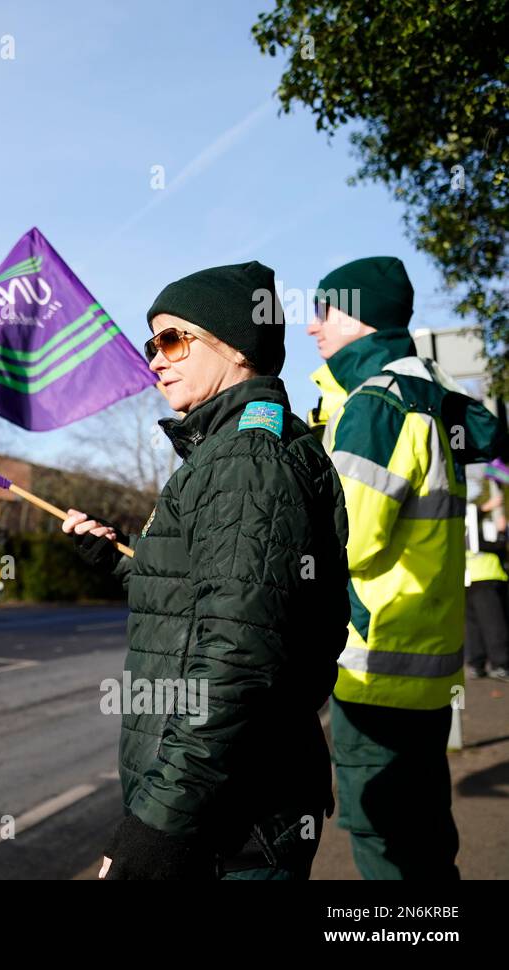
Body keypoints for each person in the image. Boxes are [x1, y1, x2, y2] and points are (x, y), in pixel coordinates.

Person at [65, 261, 349, 880]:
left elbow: (236, 660)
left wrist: (159, 825)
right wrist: (118, 560)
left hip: (227, 820)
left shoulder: (246, 460)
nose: (156, 360)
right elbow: (215, 604)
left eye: (172, 339)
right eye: (151, 345)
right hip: (224, 807)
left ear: (237, 345)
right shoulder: (233, 452)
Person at [306, 255, 507, 879]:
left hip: (373, 660)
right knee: (423, 834)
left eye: (325, 310)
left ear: (361, 316)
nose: (313, 328)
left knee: (385, 836)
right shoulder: (426, 397)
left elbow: (347, 541)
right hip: (424, 657)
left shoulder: (375, 405)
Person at [465, 547, 509, 681]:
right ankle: (501, 665)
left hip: (465, 575)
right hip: (487, 572)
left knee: (473, 623)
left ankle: (476, 665)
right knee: (494, 623)